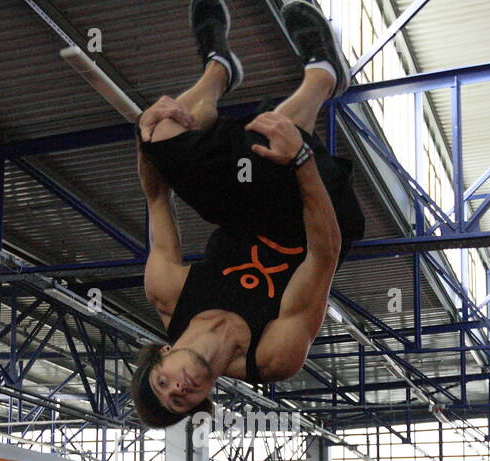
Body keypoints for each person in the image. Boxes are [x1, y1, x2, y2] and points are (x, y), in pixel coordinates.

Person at [130, 0, 365, 428]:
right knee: (264, 147)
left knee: (165, 133)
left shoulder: (166, 293)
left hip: (244, 206)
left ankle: (218, 69)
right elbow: (324, 254)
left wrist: (145, 138)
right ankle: (323, 76)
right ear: (204, 400)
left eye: (162, 384)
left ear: (163, 355)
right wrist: (301, 161)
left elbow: (156, 198)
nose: (177, 389)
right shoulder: (272, 357)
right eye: (180, 402)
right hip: (319, 223)